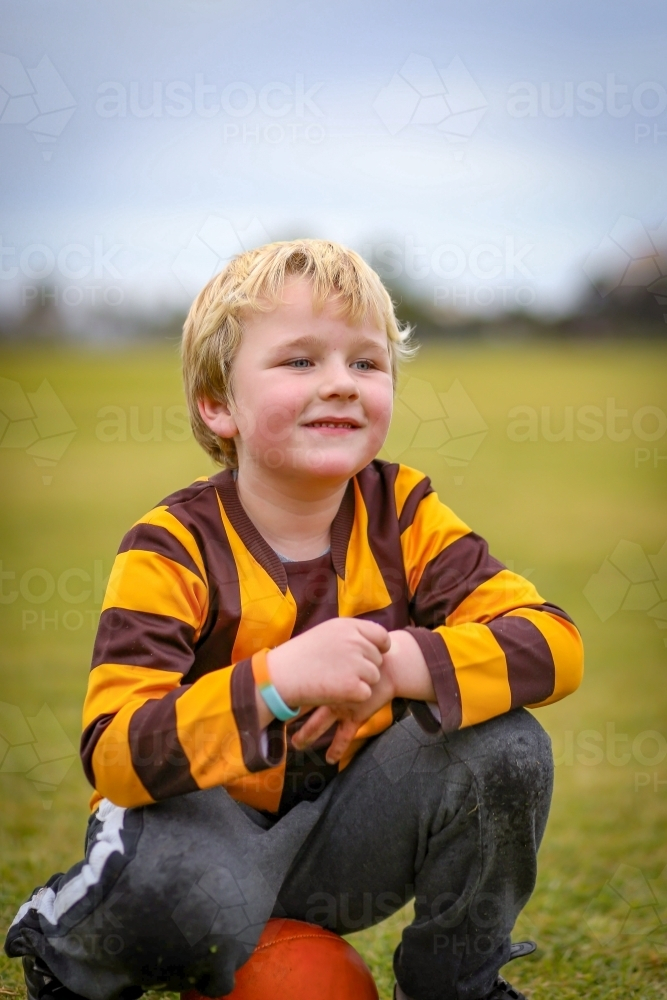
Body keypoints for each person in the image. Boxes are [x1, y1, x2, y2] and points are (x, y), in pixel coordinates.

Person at [6, 240, 583, 1000]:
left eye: (366, 363)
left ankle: (459, 983)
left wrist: (398, 668)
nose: (341, 384)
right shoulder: (170, 547)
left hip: (338, 842)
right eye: (300, 362)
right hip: (193, 839)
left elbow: (554, 645)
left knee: (507, 745)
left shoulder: (404, 514)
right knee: (192, 895)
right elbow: (114, 753)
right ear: (219, 403)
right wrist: (276, 682)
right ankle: (69, 951)